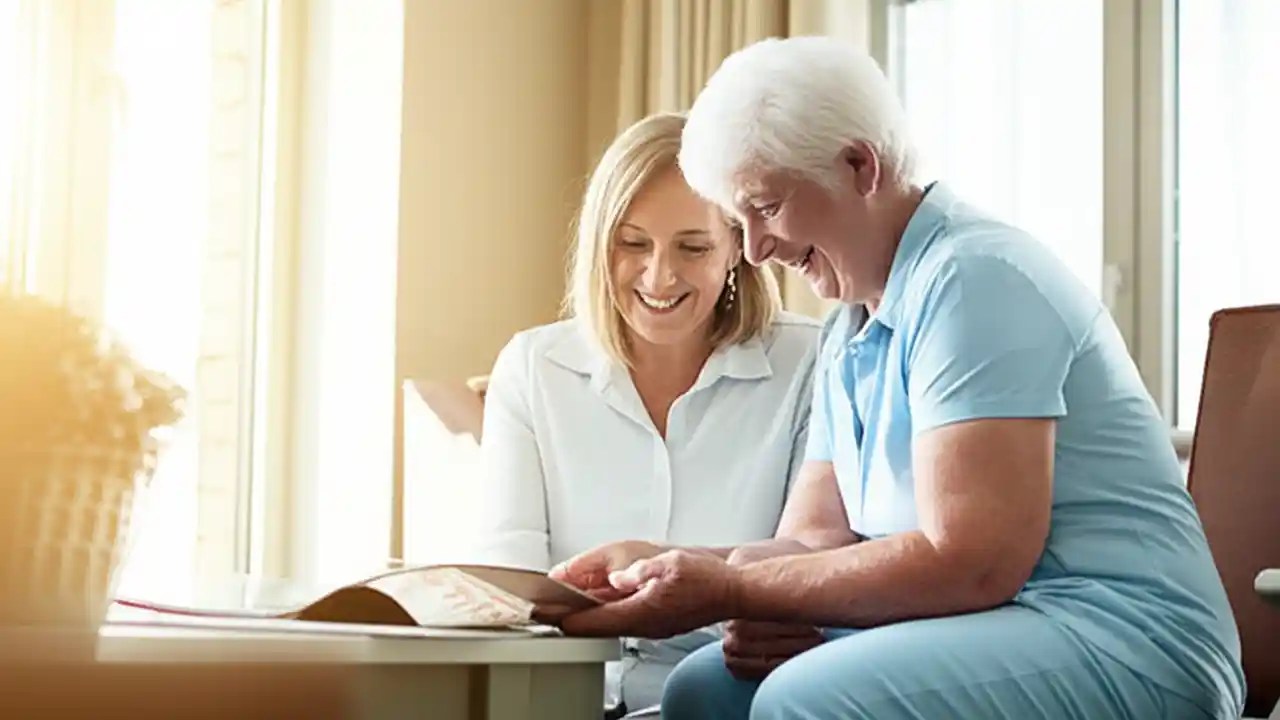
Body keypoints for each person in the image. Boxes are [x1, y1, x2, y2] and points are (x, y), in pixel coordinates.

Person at [549, 37, 1246, 720]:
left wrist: (736, 588)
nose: (756, 250)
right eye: (741, 220)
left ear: (859, 166)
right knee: (706, 689)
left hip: (1124, 638)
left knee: (802, 698)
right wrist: (659, 565)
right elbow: (814, 542)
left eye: (766, 208)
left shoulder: (975, 281)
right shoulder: (849, 325)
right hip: (989, 623)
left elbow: (972, 561)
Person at [469, 111, 822, 713]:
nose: (659, 276)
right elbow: (510, 581)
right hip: (560, 698)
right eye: (633, 244)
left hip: (725, 701)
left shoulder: (807, 362)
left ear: (737, 245)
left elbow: (806, 574)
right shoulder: (534, 367)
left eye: (693, 247)